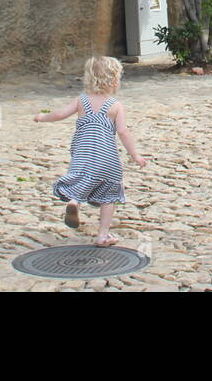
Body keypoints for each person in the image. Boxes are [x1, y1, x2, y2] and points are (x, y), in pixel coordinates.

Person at [34, 56, 146, 246]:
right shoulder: (116, 106)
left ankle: (74, 201)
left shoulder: (81, 100)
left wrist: (42, 117)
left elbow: (60, 114)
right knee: (109, 195)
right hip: (107, 158)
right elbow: (122, 131)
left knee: (81, 180)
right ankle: (103, 234)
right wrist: (135, 155)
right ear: (113, 80)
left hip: (83, 154)